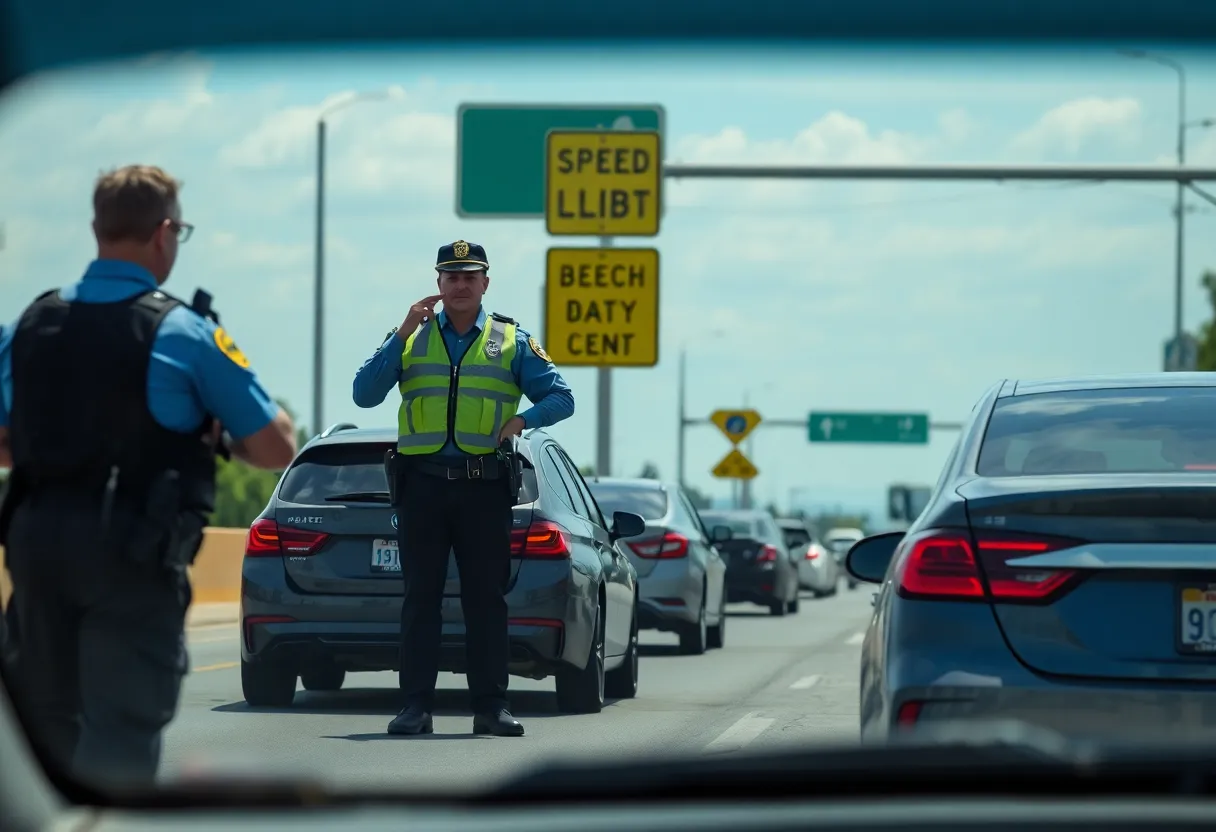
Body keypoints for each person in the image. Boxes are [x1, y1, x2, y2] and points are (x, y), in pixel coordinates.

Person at [0, 165, 298, 789]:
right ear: (165, 233)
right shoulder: (185, 333)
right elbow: (275, 444)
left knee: (43, 731)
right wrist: (217, 438)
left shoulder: (26, 326)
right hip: (130, 557)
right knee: (120, 736)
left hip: (36, 556)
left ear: (95, 229)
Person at [352, 239, 575, 737]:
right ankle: (415, 708)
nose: (460, 285)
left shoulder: (511, 339)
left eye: (470, 276)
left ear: (485, 284)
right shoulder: (410, 338)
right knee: (420, 600)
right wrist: (401, 332)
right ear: (438, 283)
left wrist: (522, 420)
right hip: (422, 488)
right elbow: (364, 395)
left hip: (483, 488)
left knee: (485, 601)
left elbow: (562, 398)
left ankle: (491, 707)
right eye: (451, 276)